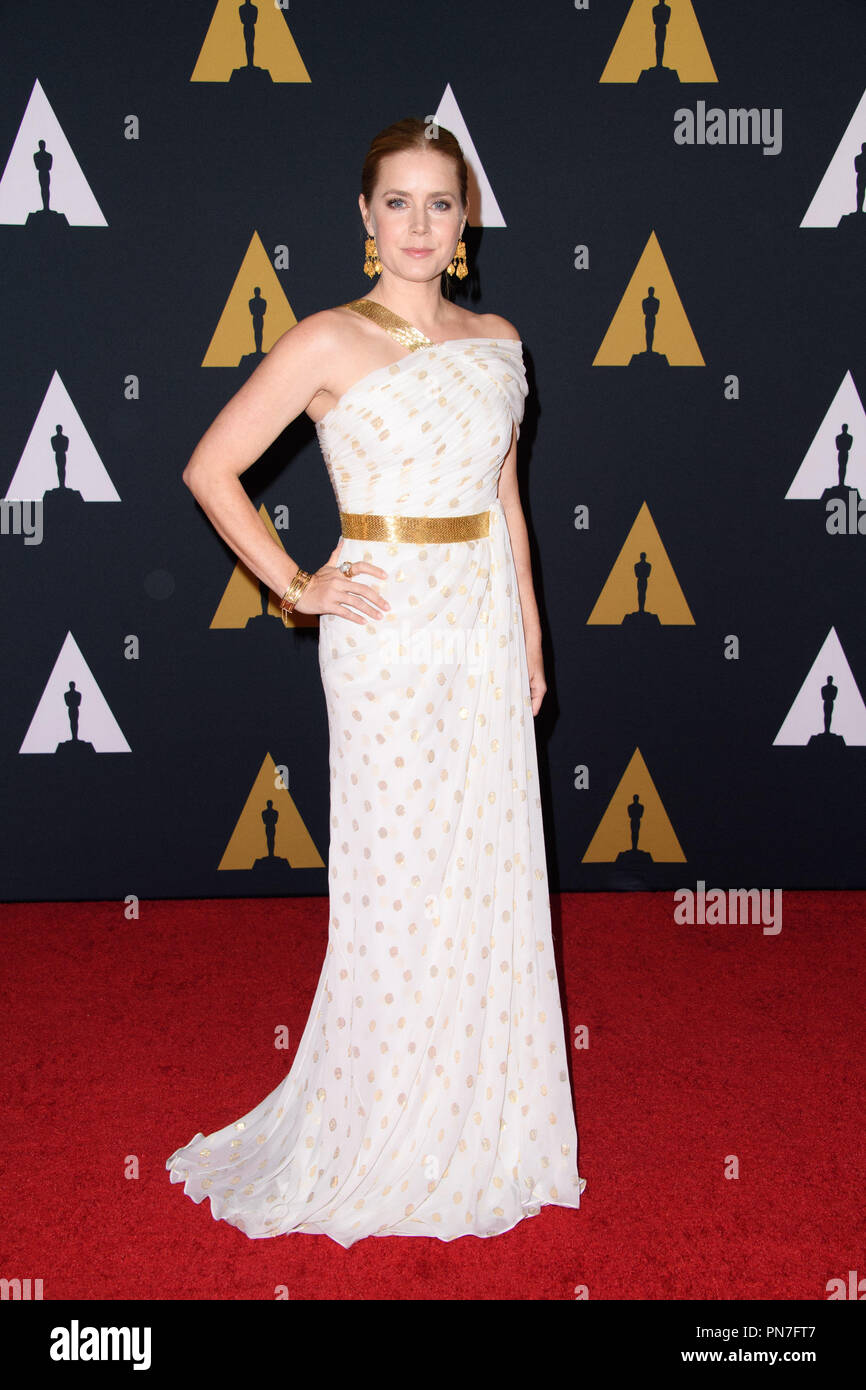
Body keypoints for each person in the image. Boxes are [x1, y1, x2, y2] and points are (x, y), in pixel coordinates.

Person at [166, 116, 586, 1246]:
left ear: (466, 222)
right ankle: (384, 1121)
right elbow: (212, 469)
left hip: (483, 625)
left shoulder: (496, 340)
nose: (416, 223)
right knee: (398, 882)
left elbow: (507, 500)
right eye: (395, 202)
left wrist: (534, 633)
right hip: (388, 631)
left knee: (485, 867)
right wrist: (297, 585)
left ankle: (481, 1111)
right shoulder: (323, 342)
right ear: (364, 218)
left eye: (437, 204)